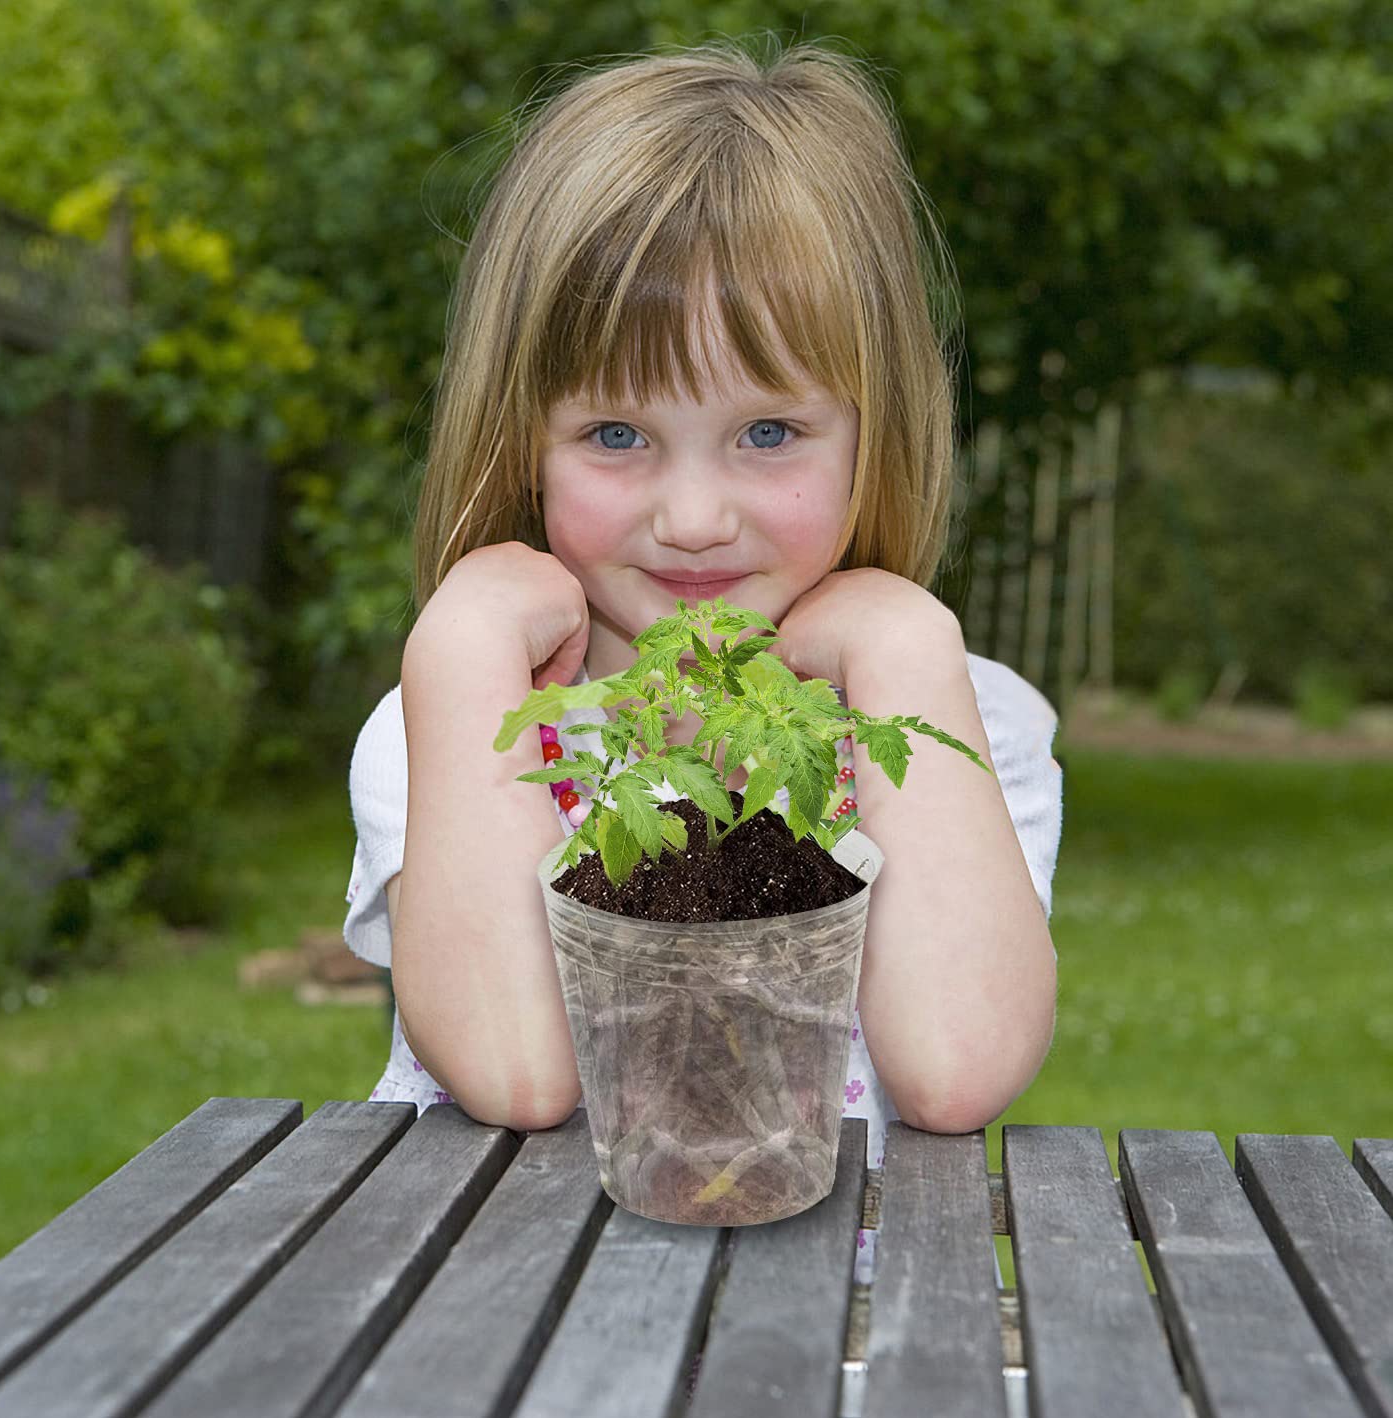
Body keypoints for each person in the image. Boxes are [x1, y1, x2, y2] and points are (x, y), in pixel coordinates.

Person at [343, 37, 1061, 1283]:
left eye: (767, 431)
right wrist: (459, 646)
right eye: (616, 431)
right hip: (501, 1319)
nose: (690, 517)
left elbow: (955, 1069)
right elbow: (520, 1072)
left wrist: (904, 639)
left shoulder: (958, 721)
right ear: (523, 438)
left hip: (854, 1317)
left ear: (871, 430)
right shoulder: (468, 719)